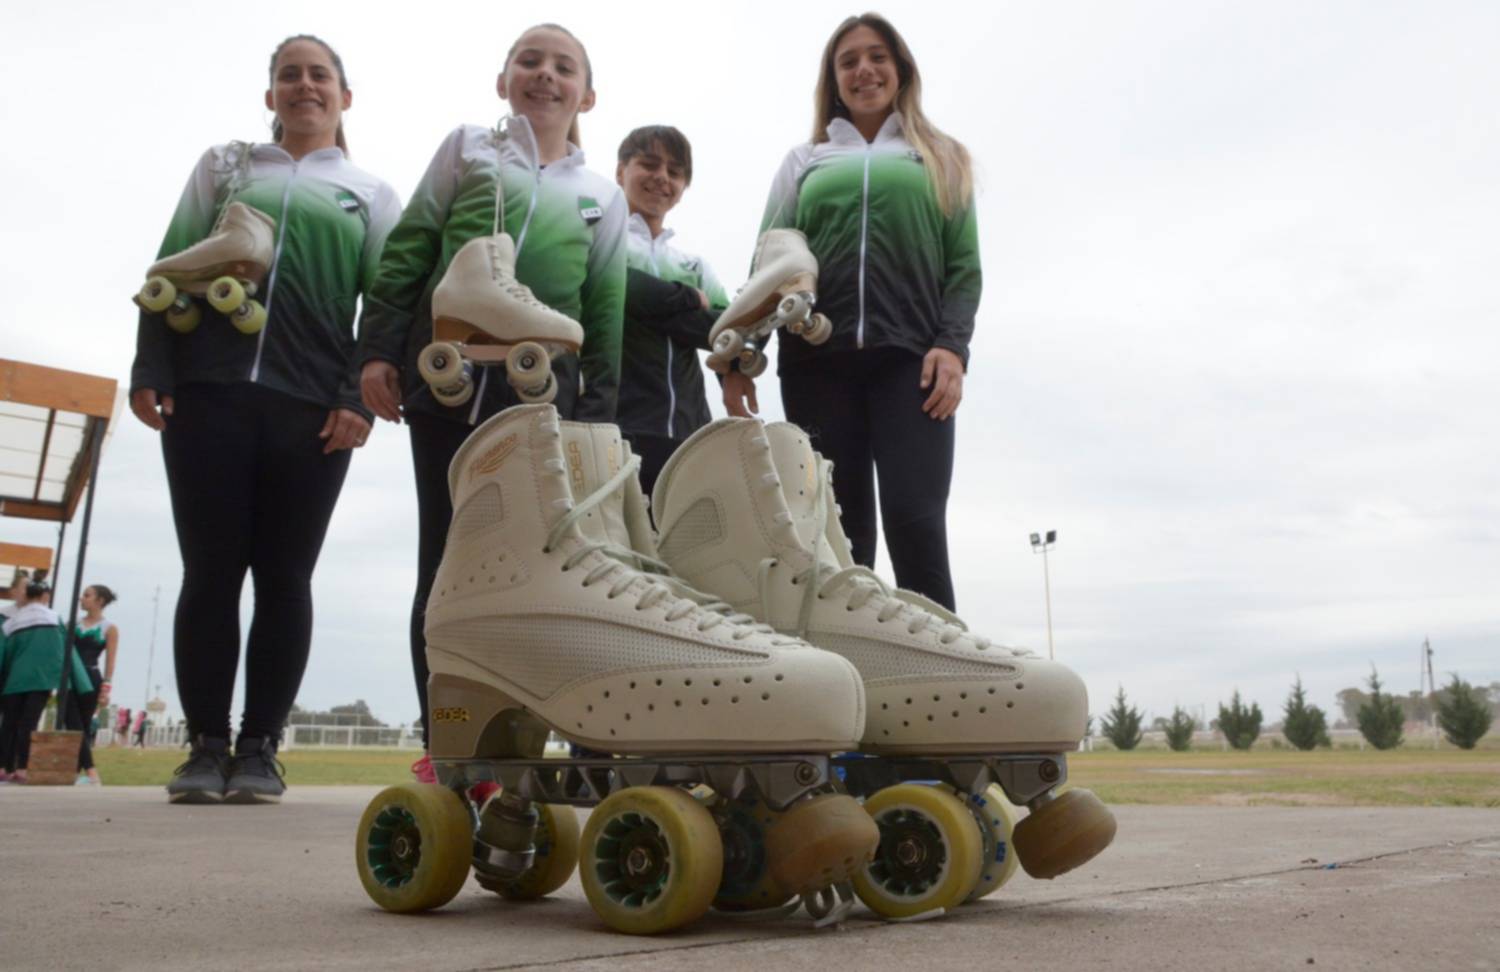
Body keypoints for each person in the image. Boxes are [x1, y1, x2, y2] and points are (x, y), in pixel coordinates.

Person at [128, 34, 401, 805]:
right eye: (290, 75)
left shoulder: (371, 194)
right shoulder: (225, 167)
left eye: (320, 76)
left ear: (345, 98)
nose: (304, 86)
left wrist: (357, 400)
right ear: (270, 94)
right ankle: (205, 747)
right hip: (206, 393)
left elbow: (384, 307)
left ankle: (259, 749)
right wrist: (152, 365)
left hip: (312, 409)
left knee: (286, 576)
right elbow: (170, 262)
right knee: (209, 573)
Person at [355, 23, 626, 782]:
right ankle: (451, 747)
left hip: (546, 399)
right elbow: (410, 247)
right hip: (449, 383)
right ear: (503, 78)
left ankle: (564, 739)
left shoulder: (603, 197)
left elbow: (604, 314)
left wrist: (595, 417)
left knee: (547, 568)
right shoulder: (467, 148)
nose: (544, 75)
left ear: (587, 94)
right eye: (529, 61)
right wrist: (376, 351)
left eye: (563, 66)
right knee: (443, 562)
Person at [724, 14, 978, 611]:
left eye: (877, 56)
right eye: (849, 61)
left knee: (916, 521)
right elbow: (768, 265)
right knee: (839, 533)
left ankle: (940, 676)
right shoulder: (804, 160)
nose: (864, 69)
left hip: (911, 363)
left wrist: (953, 347)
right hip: (815, 362)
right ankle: (846, 682)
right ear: (833, 80)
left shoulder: (940, 157)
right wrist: (739, 355)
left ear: (900, 69)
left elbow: (963, 266)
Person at [613, 125, 729, 497]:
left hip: (689, 434)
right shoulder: (601, 239)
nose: (662, 177)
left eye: (675, 172)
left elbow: (732, 330)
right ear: (620, 172)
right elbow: (617, 286)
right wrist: (688, 299)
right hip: (614, 426)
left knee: (684, 550)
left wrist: (647, 306)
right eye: (648, 164)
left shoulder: (693, 263)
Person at [0, 573, 89, 783]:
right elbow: (66, 653)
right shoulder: (52, 619)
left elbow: (6, 652)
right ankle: (22, 767)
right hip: (41, 680)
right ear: (45, 597)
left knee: (9, 723)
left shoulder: (11, 623)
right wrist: (78, 681)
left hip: (14, 681)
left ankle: (3, 767)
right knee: (28, 724)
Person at [64, 585, 119, 785]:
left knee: (84, 726)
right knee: (73, 724)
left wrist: (106, 688)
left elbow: (110, 661)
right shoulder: (72, 623)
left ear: (100, 601)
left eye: (87, 595)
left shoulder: (109, 628)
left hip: (91, 678)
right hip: (70, 678)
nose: (82, 599)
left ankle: (78, 773)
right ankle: (91, 771)